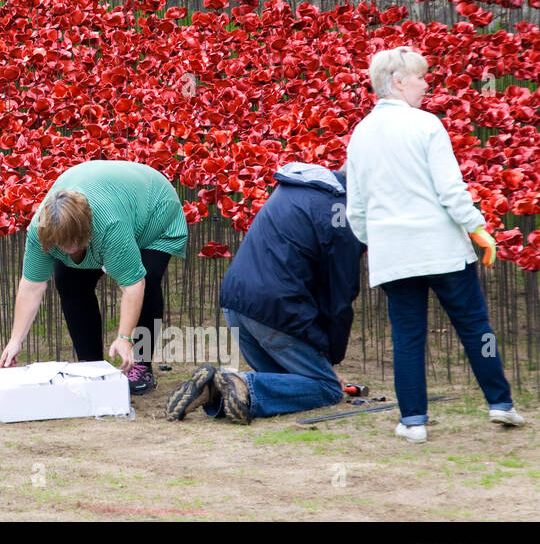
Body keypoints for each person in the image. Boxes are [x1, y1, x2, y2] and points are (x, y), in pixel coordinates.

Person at [345, 46, 524, 443]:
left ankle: (413, 422)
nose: (426, 84)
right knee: (476, 327)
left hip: (394, 255)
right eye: (421, 77)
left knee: (407, 337)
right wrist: (478, 228)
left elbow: (355, 207)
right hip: (441, 247)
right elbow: (451, 190)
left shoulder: (359, 134)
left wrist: (378, 241)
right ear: (398, 81)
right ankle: (501, 404)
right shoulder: (427, 125)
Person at [166, 163, 365, 424]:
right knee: (326, 388)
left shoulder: (297, 188)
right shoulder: (342, 210)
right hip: (274, 309)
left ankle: (215, 390)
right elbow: (340, 297)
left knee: (290, 382)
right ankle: (244, 384)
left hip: (235, 303)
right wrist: (329, 362)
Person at [0, 160, 189, 395]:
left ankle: (140, 364)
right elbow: (31, 286)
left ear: (86, 231)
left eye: (74, 243)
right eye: (61, 244)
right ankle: (91, 366)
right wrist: (16, 339)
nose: (68, 250)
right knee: (69, 281)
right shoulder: (41, 229)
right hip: (114, 199)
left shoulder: (109, 226)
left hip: (153, 209)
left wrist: (124, 337)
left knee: (146, 280)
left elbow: (133, 285)